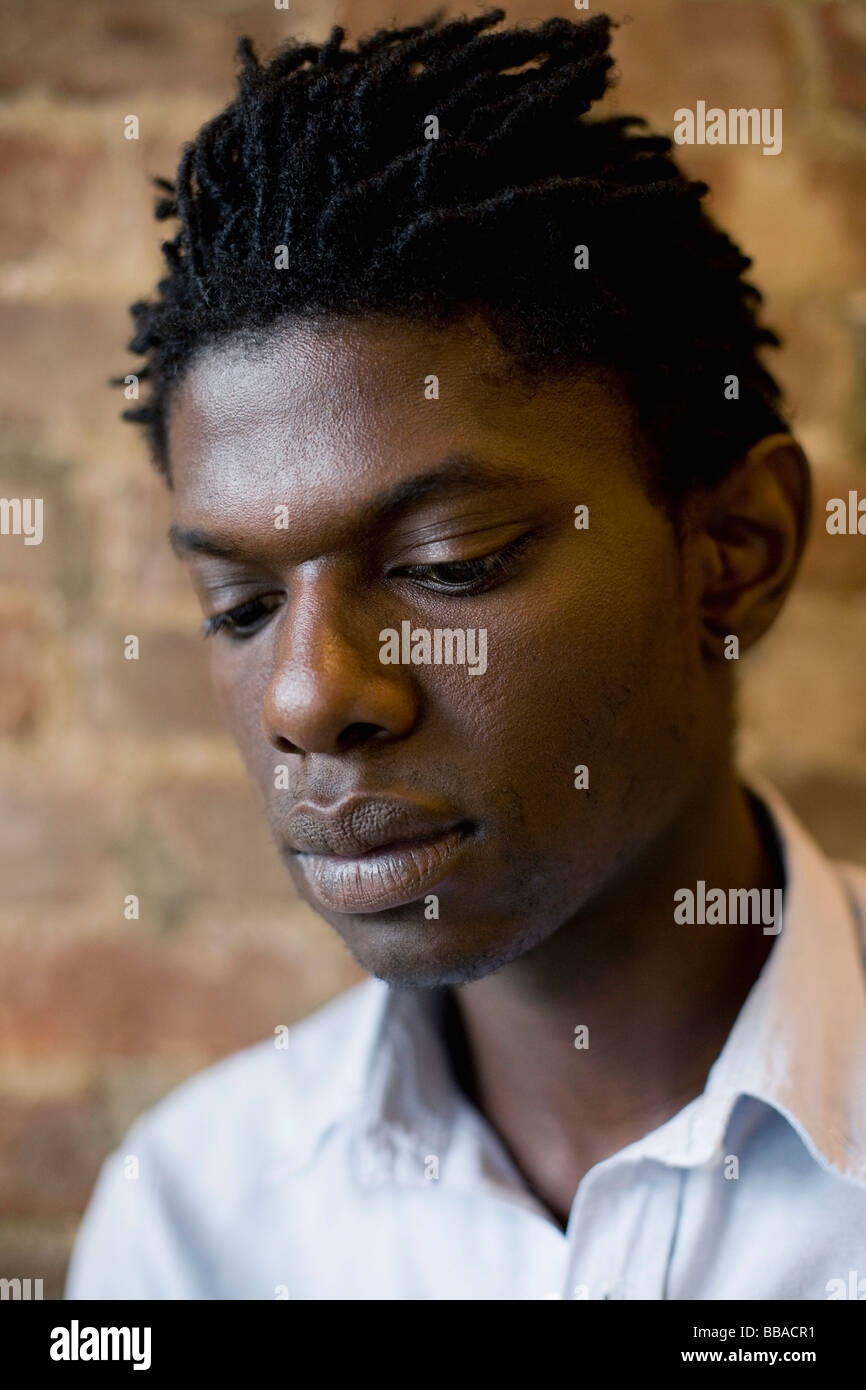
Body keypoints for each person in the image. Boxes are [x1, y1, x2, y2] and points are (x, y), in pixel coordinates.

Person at [66, 10, 866, 1300]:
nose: (310, 697)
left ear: (736, 550)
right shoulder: (199, 1222)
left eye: (449, 563)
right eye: (239, 604)